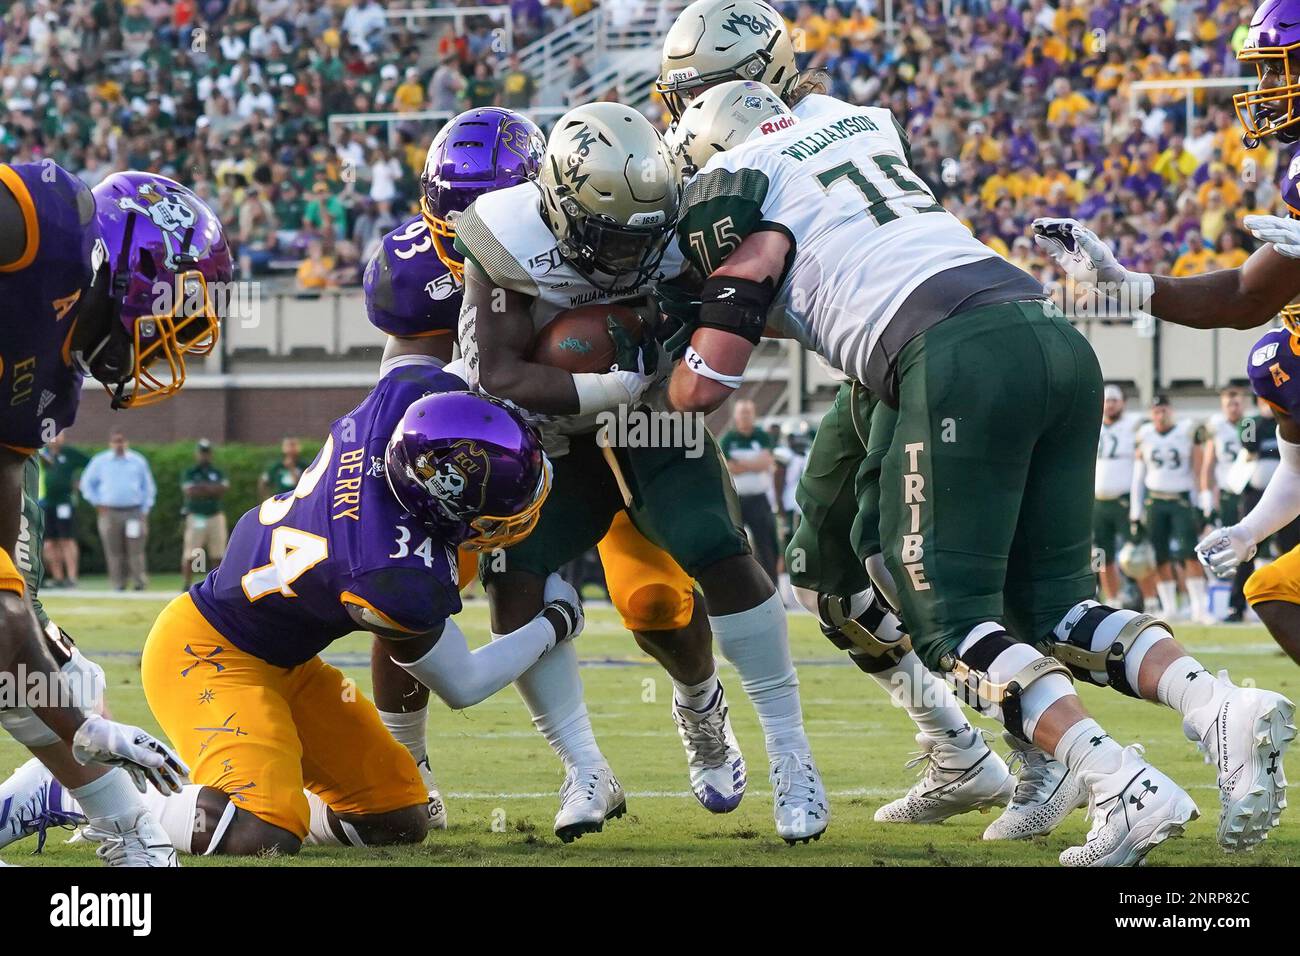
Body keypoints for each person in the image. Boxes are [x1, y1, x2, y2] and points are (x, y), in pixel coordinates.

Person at [663, 77, 1293, 861]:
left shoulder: (746, 204)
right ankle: (1215, 705)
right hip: (1046, 331)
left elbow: (701, 387)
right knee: (1054, 608)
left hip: (950, 356)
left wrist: (659, 345)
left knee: (947, 618)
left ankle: (1112, 781)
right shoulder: (853, 130)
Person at [656, 0, 1017, 833]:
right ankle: (959, 749)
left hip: (911, 344)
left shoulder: (753, 156)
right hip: (889, 348)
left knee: (916, 571)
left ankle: (1051, 753)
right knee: (826, 573)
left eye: (707, 89)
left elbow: (733, 288)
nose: (691, 107)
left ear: (756, 83)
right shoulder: (858, 120)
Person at [453, 100, 828, 844]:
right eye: (608, 239)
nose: (628, 259)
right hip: (547, 431)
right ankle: (584, 766)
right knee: (514, 584)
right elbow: (495, 372)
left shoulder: (677, 218)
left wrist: (662, 364)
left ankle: (786, 750)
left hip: (649, 408)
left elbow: (732, 319)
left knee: (714, 550)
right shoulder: (503, 234)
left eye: (641, 240)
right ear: (556, 203)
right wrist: (601, 387)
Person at [2, 375, 575, 858]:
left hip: (285, 660)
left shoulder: (403, 408)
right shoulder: (392, 578)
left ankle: (269, 792)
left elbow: (430, 380)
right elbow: (464, 683)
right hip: (207, 652)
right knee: (264, 830)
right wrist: (554, 622)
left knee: (398, 817)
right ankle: (78, 789)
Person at [0, 163, 228, 865]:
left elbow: (5, 602)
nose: (175, 337)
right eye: (179, 310)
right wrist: (83, 730)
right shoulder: (44, 220)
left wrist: (74, 716)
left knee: (43, 674)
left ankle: (128, 832)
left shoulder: (54, 376)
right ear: (142, 268)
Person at [1131, 396, 1209, 622]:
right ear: (1151, 414)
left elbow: (1198, 471)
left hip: (1180, 499)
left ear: (1171, 411)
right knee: (1160, 554)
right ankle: (1169, 608)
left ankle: (1199, 608)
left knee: (1189, 553)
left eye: (1163, 410)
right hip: (1155, 500)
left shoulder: (1185, 432)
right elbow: (1138, 476)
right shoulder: (1144, 434)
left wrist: (1202, 505)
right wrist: (1135, 514)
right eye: (1156, 411)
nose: (1160, 415)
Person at [81, 430, 156, 592]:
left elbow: (148, 487)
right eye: (116, 441)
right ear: (110, 443)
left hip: (134, 512)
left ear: (127, 442)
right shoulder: (100, 462)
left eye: (122, 441)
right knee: (114, 550)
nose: (119, 445)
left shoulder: (137, 461)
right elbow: (86, 484)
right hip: (110, 512)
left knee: (135, 549)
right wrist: (96, 502)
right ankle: (118, 584)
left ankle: (139, 582)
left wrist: (145, 508)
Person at [719, 399, 781, 583]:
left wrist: (742, 464)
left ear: (753, 415)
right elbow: (729, 466)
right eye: (742, 413)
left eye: (748, 413)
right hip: (736, 500)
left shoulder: (762, 436)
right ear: (736, 416)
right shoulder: (729, 439)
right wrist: (754, 464)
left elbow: (766, 462)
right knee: (734, 543)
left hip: (758, 499)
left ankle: (772, 586)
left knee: (766, 544)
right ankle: (734, 584)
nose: (745, 417)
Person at [1202, 387, 1249, 620]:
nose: (1234, 407)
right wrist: (1207, 502)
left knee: (1259, 547)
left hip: (1251, 491)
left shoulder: (1252, 424)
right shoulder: (1217, 427)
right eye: (1229, 403)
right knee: (1235, 549)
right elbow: (1208, 466)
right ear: (1223, 406)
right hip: (1229, 494)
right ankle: (1236, 603)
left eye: (1237, 403)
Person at [1095, 385, 1139, 607]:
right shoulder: (1093, 425)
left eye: (1115, 400)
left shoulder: (1134, 426)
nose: (1110, 404)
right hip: (1098, 501)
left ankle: (1148, 600)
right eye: (1107, 400)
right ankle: (1111, 599)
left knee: (1138, 552)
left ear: (1123, 402)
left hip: (1124, 499)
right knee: (1101, 554)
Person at [39, 432, 89, 589]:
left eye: (57, 435)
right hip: (45, 503)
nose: (54, 438)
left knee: (66, 540)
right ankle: (57, 577)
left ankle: (72, 577)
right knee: (49, 543)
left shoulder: (70, 453)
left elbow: (92, 465)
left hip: (64, 503)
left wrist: (80, 482)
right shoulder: (42, 455)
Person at [180, 438, 229, 590]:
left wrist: (201, 488)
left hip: (215, 515)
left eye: (207, 453)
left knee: (218, 552)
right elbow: (190, 491)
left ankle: (217, 585)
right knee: (194, 553)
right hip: (197, 515)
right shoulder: (191, 472)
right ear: (197, 454)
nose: (204, 456)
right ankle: (188, 585)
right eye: (202, 453)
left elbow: (222, 489)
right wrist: (211, 489)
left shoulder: (217, 472)